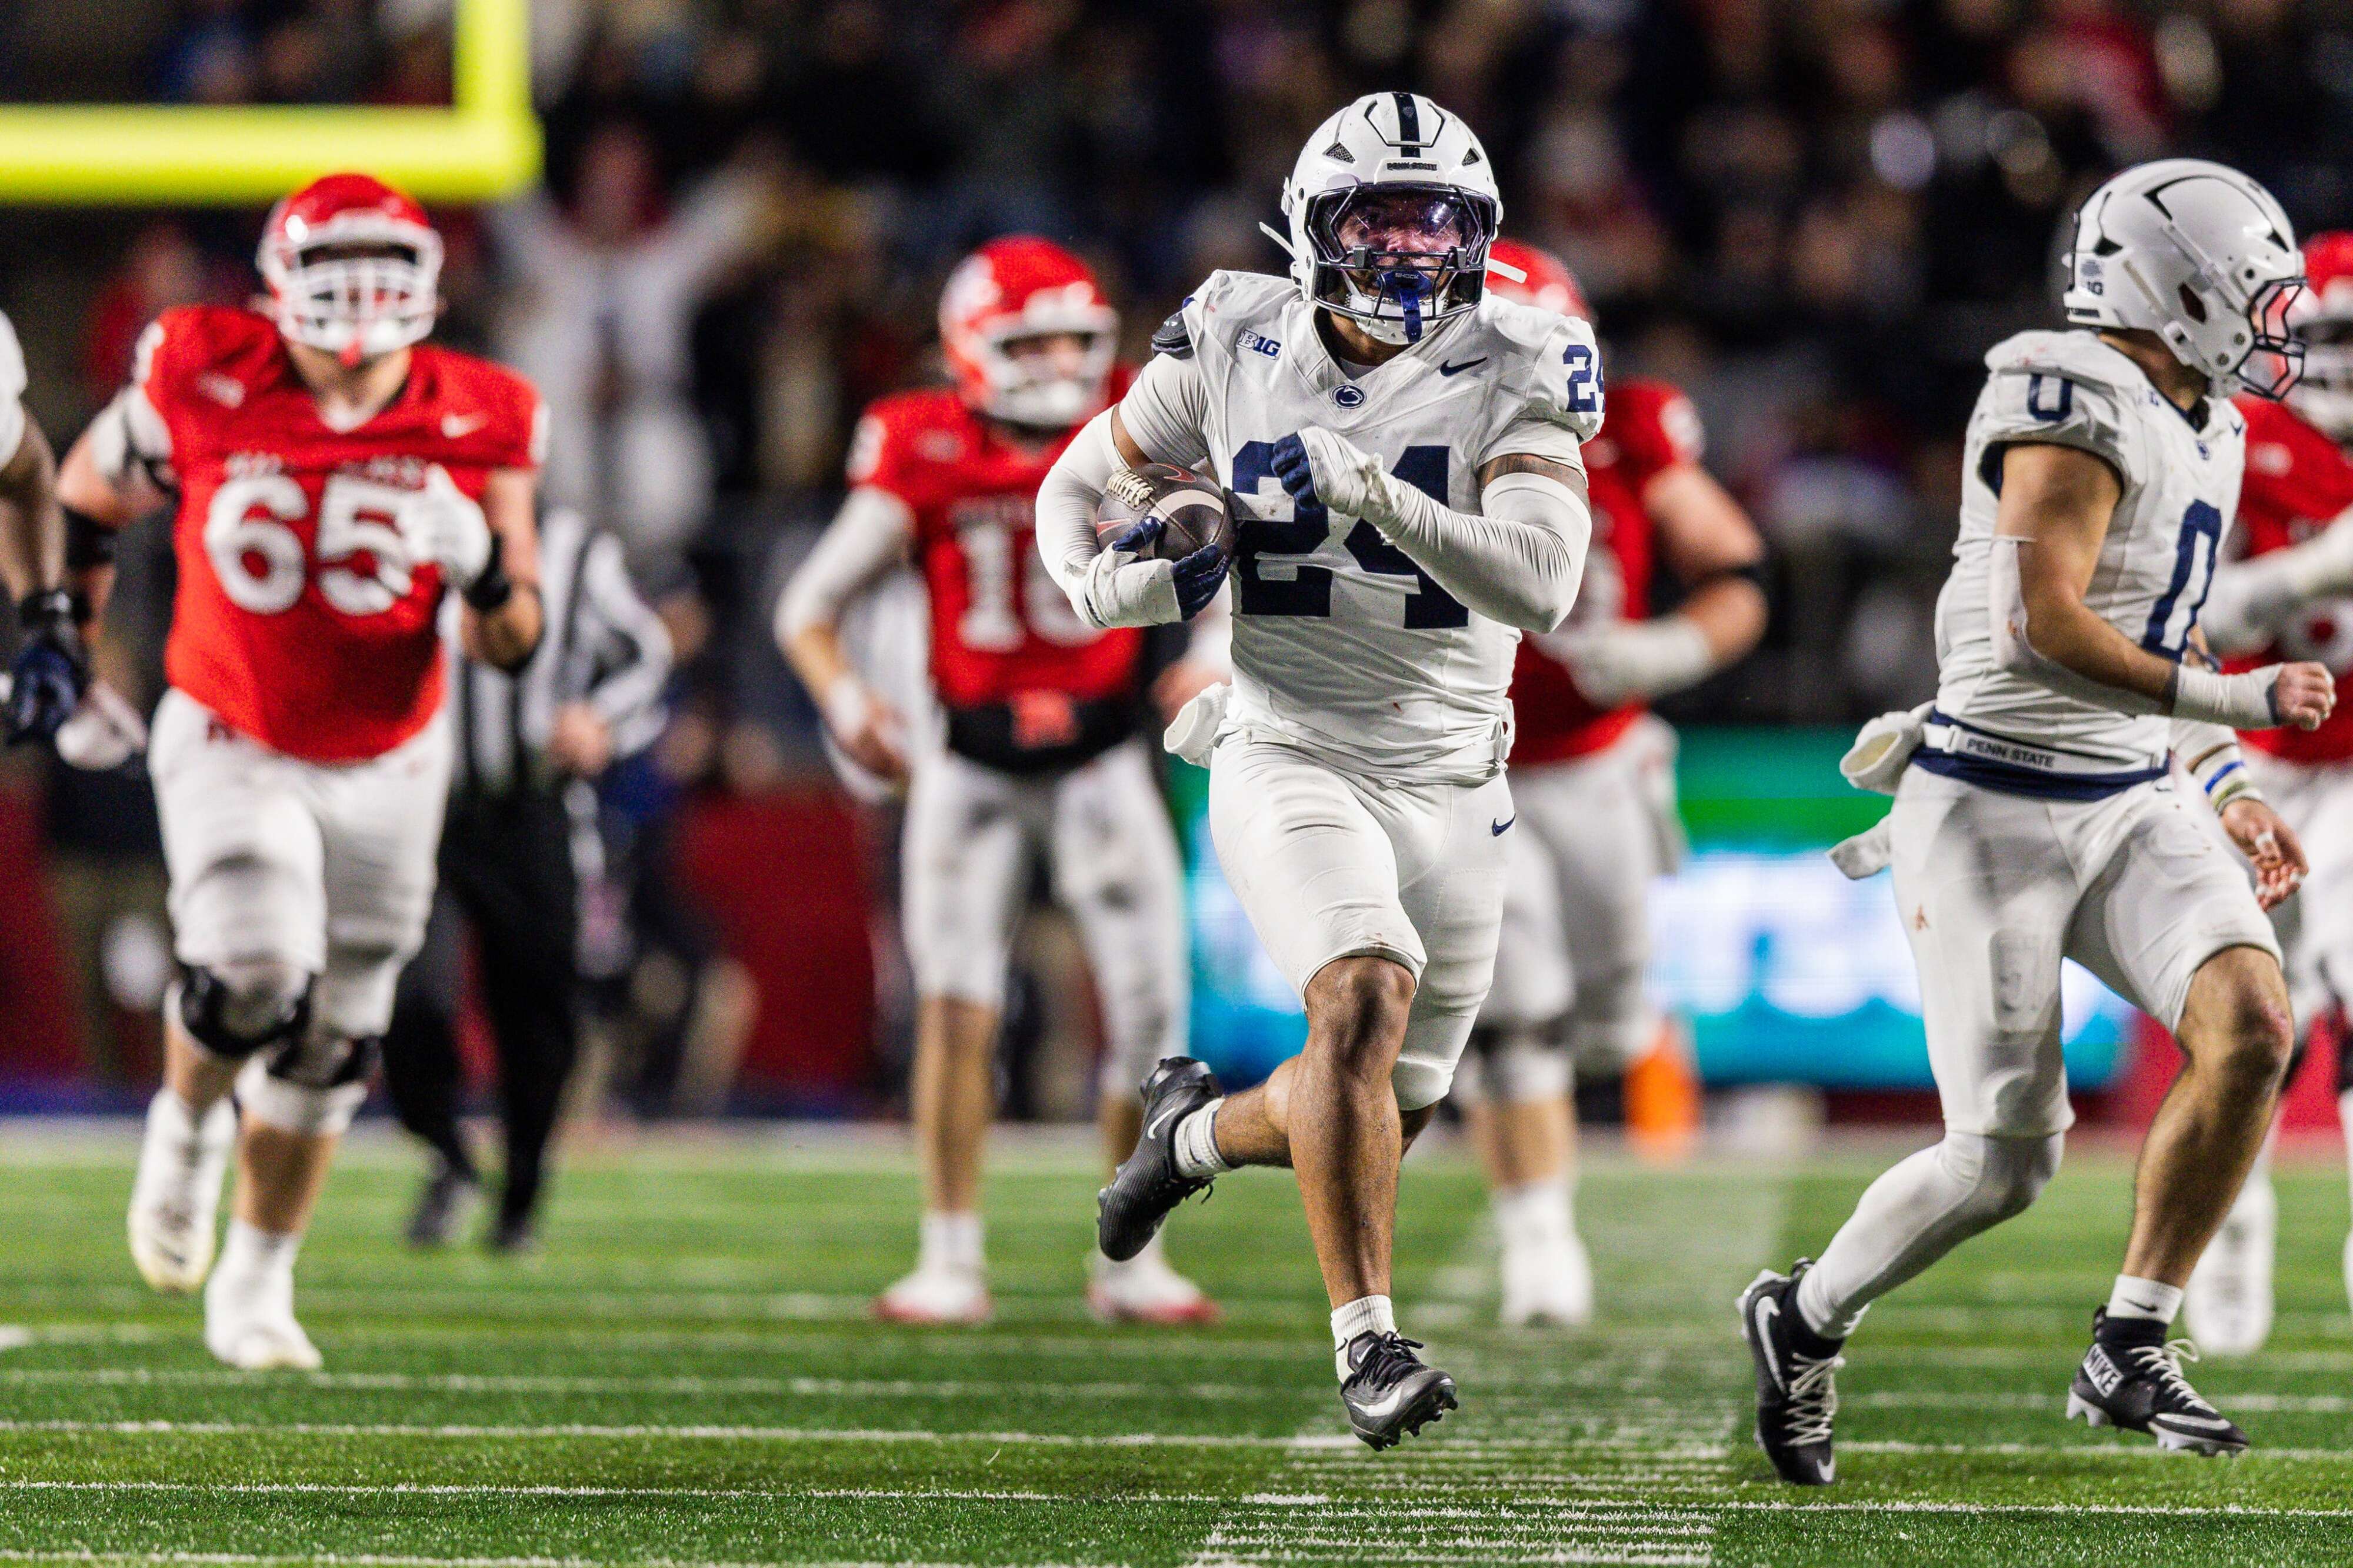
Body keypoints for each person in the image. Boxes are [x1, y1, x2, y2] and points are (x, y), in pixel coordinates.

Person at [1741, 159, 2331, 1484]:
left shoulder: (2211, 420)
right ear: (2170, 288)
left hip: (2128, 790)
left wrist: (2226, 780)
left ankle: (2131, 1335)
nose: (2268, 323)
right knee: (2005, 1158)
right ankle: (1803, 1315)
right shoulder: (2061, 388)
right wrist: (2236, 692)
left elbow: (2155, 625)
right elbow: (2041, 623)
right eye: (2250, 294)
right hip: (1991, 797)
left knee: (2250, 1025)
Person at [1038, 92, 1602, 1446]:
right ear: (1311, 226)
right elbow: (1075, 490)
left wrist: (1374, 491)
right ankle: (1368, 1341)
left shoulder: (1524, 356)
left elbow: (1543, 580)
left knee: (1366, 1112)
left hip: (1458, 779)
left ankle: (1188, 1136)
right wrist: (1112, 589)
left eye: (1433, 224)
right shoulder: (1234, 331)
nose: (1406, 252)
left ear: (1478, 237)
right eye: (1376, 219)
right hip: (1286, 744)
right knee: (1359, 992)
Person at [61, 173, 545, 1370]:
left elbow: (512, 636)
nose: (359, 298)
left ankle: (258, 1280)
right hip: (235, 724)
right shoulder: (202, 365)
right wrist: (68, 647)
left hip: (393, 753)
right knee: (256, 968)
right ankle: (182, 1126)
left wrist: (483, 566)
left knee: (336, 1035)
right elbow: (83, 494)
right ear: (280, 285)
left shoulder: (483, 409)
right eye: (333, 270)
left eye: (383, 266)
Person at [779, 236, 1225, 1326]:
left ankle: (1134, 1260)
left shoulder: (1140, 422)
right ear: (969, 348)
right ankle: (949, 1255)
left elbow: (1233, 559)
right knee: (954, 1008)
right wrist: (850, 706)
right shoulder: (919, 441)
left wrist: (1210, 655)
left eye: (1077, 337)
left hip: (1103, 753)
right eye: (1032, 341)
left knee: (1150, 1013)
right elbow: (808, 607)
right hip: (968, 760)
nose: (1059, 360)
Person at [1451, 239, 1766, 1327]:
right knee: (1515, 1009)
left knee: (1610, 1015)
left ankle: (1580, 1132)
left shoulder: (1633, 432)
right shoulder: (1392, 441)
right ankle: (1541, 1241)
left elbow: (1738, 575)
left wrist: (1670, 651)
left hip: (1597, 765)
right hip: (1466, 767)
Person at [382, 502, 672, 1254]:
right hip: (422, 807)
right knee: (410, 997)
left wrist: (602, 719)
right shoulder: (398, 520)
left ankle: (520, 1192)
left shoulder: (574, 545)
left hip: (534, 810)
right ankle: (446, 1150)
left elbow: (648, 651)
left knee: (537, 1019)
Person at [2187, 230, 2353, 1354]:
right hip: (2246, 762)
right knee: (2246, 1022)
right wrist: (2311, 570)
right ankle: (2232, 1223)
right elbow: (2176, 618)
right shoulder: (2239, 440)